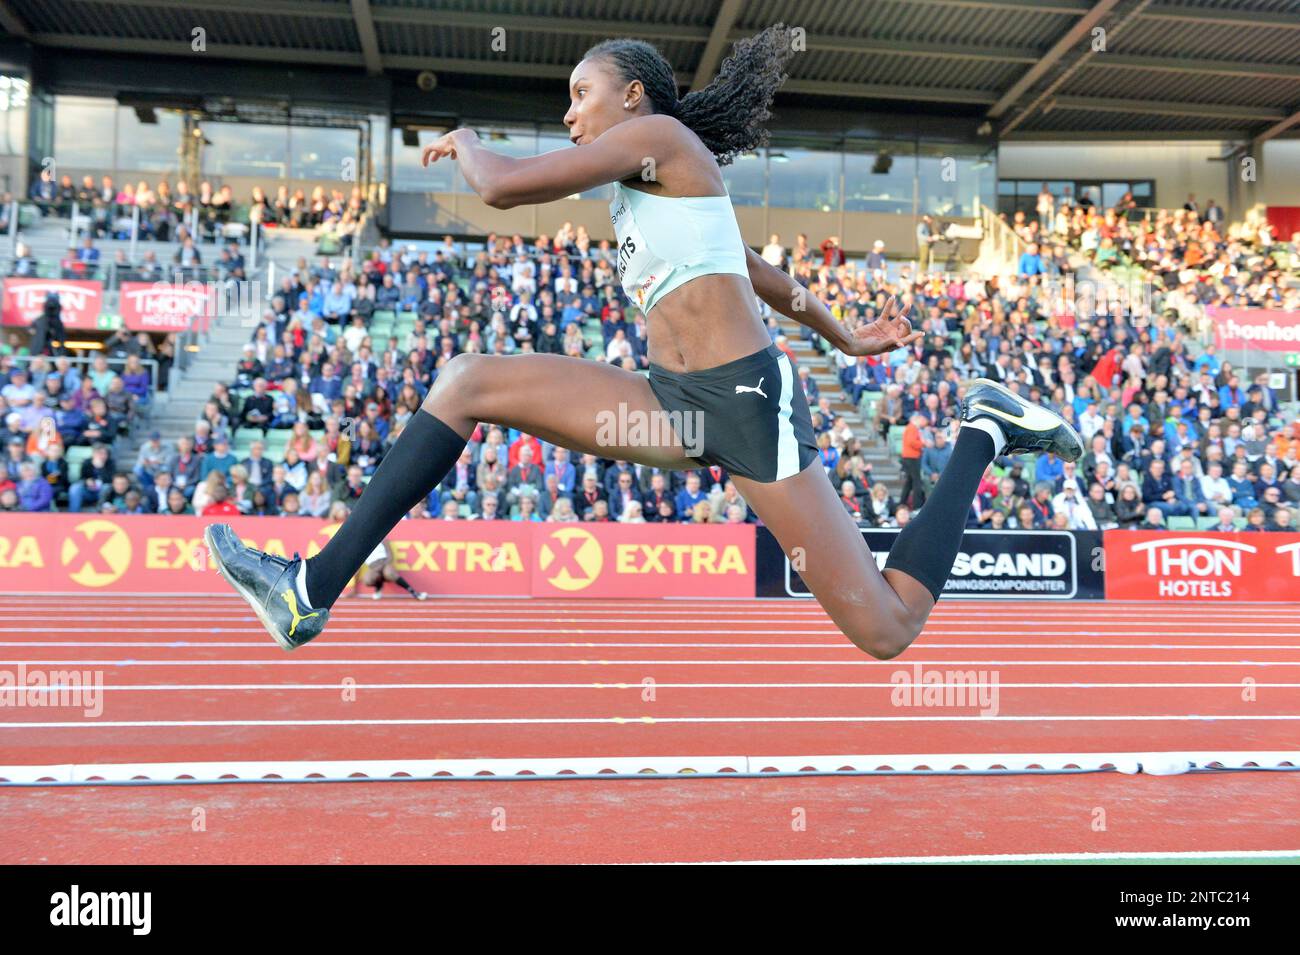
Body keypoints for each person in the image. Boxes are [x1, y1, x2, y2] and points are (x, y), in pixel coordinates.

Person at [204, 25, 1082, 654]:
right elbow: (761, 274)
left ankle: (984, 431)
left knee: (885, 630)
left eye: (581, 95)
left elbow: (503, 189)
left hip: (742, 407)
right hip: (669, 407)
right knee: (467, 378)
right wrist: (845, 336)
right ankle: (310, 589)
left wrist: (470, 140)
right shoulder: (654, 191)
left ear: (632, 96)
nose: (572, 114)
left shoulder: (662, 139)